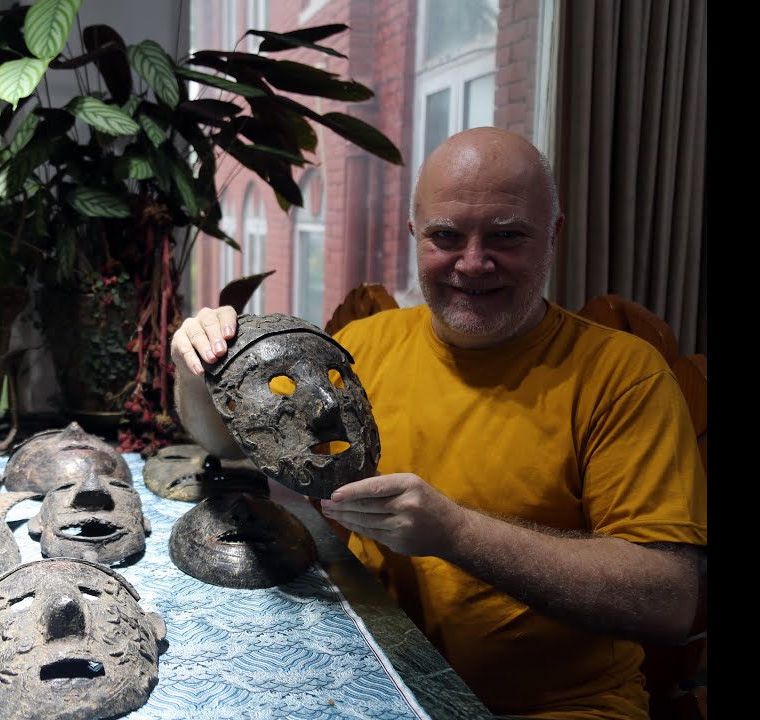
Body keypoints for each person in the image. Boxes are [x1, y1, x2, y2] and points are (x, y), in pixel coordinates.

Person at [169, 127, 706, 720]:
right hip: (374, 673)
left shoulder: (622, 374)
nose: (473, 263)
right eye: (446, 236)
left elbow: (669, 600)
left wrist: (456, 533)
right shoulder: (364, 345)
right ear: (415, 236)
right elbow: (223, 442)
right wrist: (198, 372)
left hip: (556, 707)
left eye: (506, 235)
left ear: (553, 235)